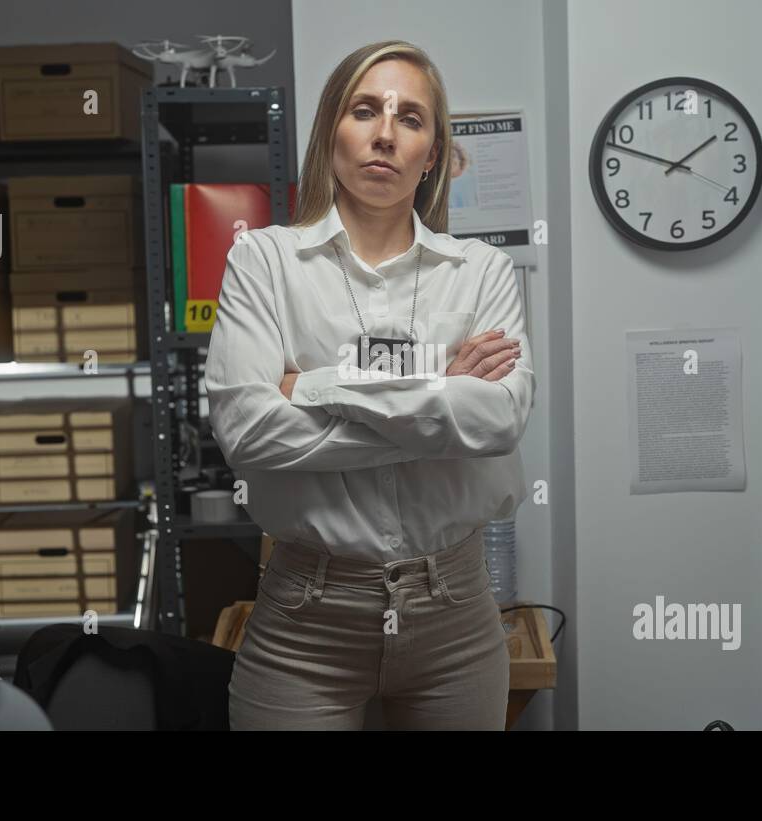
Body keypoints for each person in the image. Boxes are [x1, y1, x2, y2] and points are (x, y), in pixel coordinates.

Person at [205, 40, 534, 730]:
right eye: (364, 110)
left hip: (456, 613)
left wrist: (310, 386)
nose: (386, 133)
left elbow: (498, 420)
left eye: (411, 119)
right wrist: (436, 385)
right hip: (305, 616)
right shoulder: (264, 262)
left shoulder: (481, 272)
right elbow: (246, 432)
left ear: (433, 154)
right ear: (332, 131)